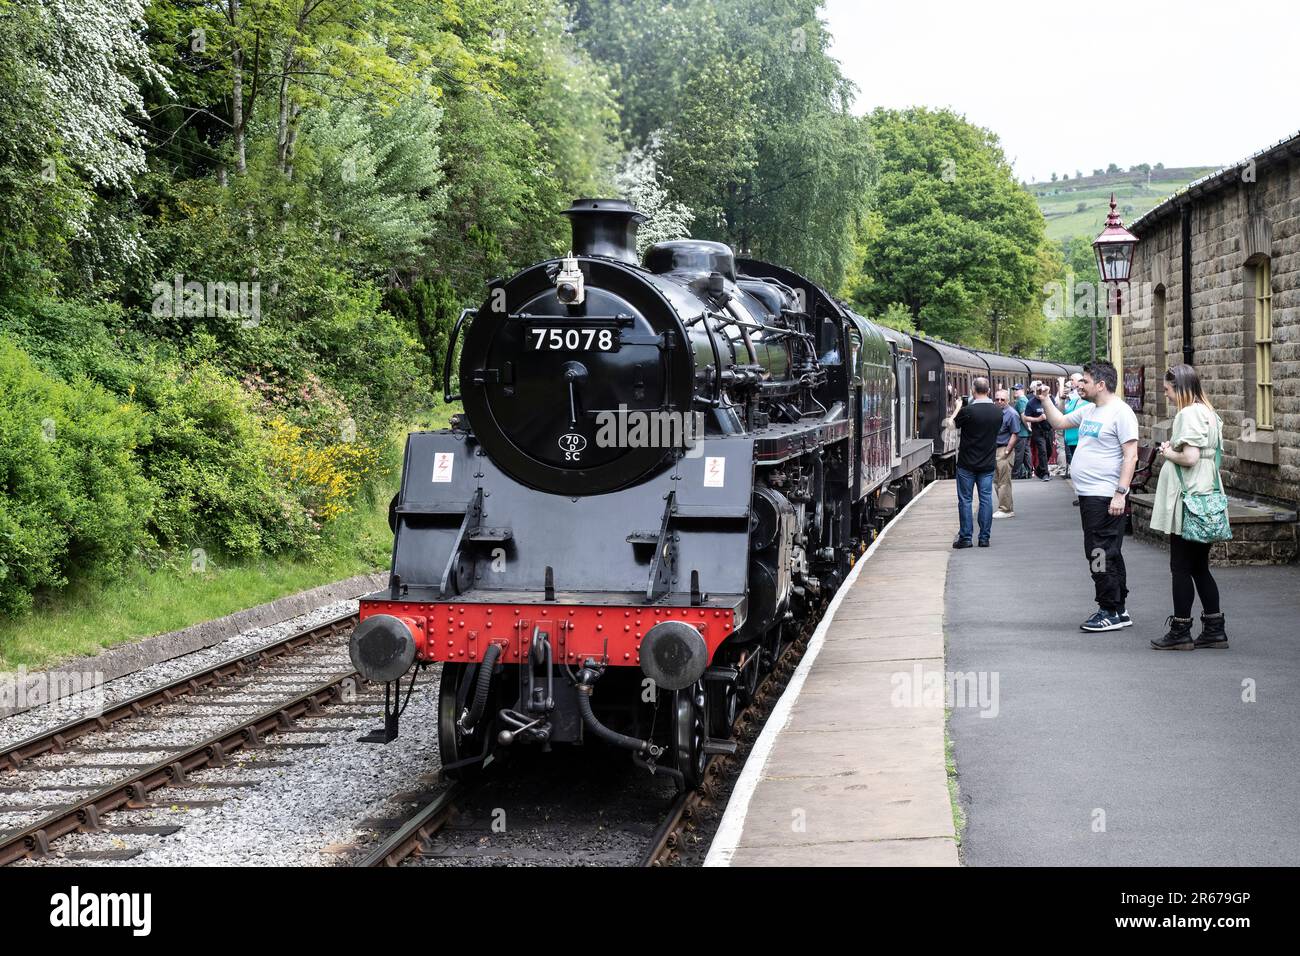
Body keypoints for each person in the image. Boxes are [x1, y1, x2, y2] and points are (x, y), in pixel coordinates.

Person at [1037, 361, 1139, 632]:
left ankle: (1107, 610)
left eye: (1084, 381)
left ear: (1101, 385)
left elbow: (1131, 455)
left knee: (1098, 552)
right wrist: (1045, 399)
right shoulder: (1090, 410)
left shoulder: (1121, 413)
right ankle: (1119, 608)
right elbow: (1059, 422)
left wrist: (1120, 493)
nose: (1079, 385)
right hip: (1090, 495)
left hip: (1105, 496)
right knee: (1110, 553)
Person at [1148, 365, 1228, 651]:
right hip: (1205, 497)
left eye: (1168, 390)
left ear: (1180, 387)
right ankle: (1215, 629)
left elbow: (1190, 457)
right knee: (1199, 568)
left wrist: (1168, 451)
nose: (1166, 395)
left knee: (1180, 567)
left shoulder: (1188, 413)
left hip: (1188, 500)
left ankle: (1181, 630)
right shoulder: (1209, 413)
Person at [946, 377, 1001, 548]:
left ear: (972, 390)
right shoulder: (998, 411)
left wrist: (957, 409)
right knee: (986, 499)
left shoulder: (967, 411)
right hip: (987, 463)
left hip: (967, 464)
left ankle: (966, 538)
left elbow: (950, 426)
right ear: (989, 391)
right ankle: (984, 538)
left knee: (965, 500)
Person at [993, 388, 1020, 518]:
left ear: (1008, 400)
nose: (999, 401)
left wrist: (1008, 450)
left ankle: (1005, 510)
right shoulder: (994, 412)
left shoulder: (1012, 414)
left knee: (1004, 481)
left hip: (1004, 449)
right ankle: (1006, 506)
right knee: (996, 481)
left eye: (1002, 399)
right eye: (997, 399)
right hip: (993, 450)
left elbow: (1015, 434)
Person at [1021, 381, 1052, 481]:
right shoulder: (1031, 403)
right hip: (1037, 430)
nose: (1039, 393)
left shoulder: (1049, 399)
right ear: (1033, 392)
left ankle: (1039, 469)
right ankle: (1045, 473)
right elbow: (1025, 418)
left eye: (1040, 391)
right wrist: (1038, 419)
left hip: (1048, 429)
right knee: (1042, 451)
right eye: (1037, 391)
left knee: (1049, 451)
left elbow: (1056, 411)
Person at [1062, 372, 1091, 473]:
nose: (1079, 390)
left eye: (1082, 388)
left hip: (1080, 440)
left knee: (1080, 468)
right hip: (1070, 439)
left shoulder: (1089, 403)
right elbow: (1061, 414)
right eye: (1078, 388)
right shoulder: (1073, 401)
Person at [1012, 384, 1031, 478]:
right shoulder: (1024, 400)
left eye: (1017, 389)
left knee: (1019, 454)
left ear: (1022, 390)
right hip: (1024, 432)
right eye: (1014, 389)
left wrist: (1028, 428)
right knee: (1026, 453)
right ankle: (1028, 472)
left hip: (1021, 431)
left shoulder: (1021, 401)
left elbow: (1023, 416)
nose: (1015, 391)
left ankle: (1015, 474)